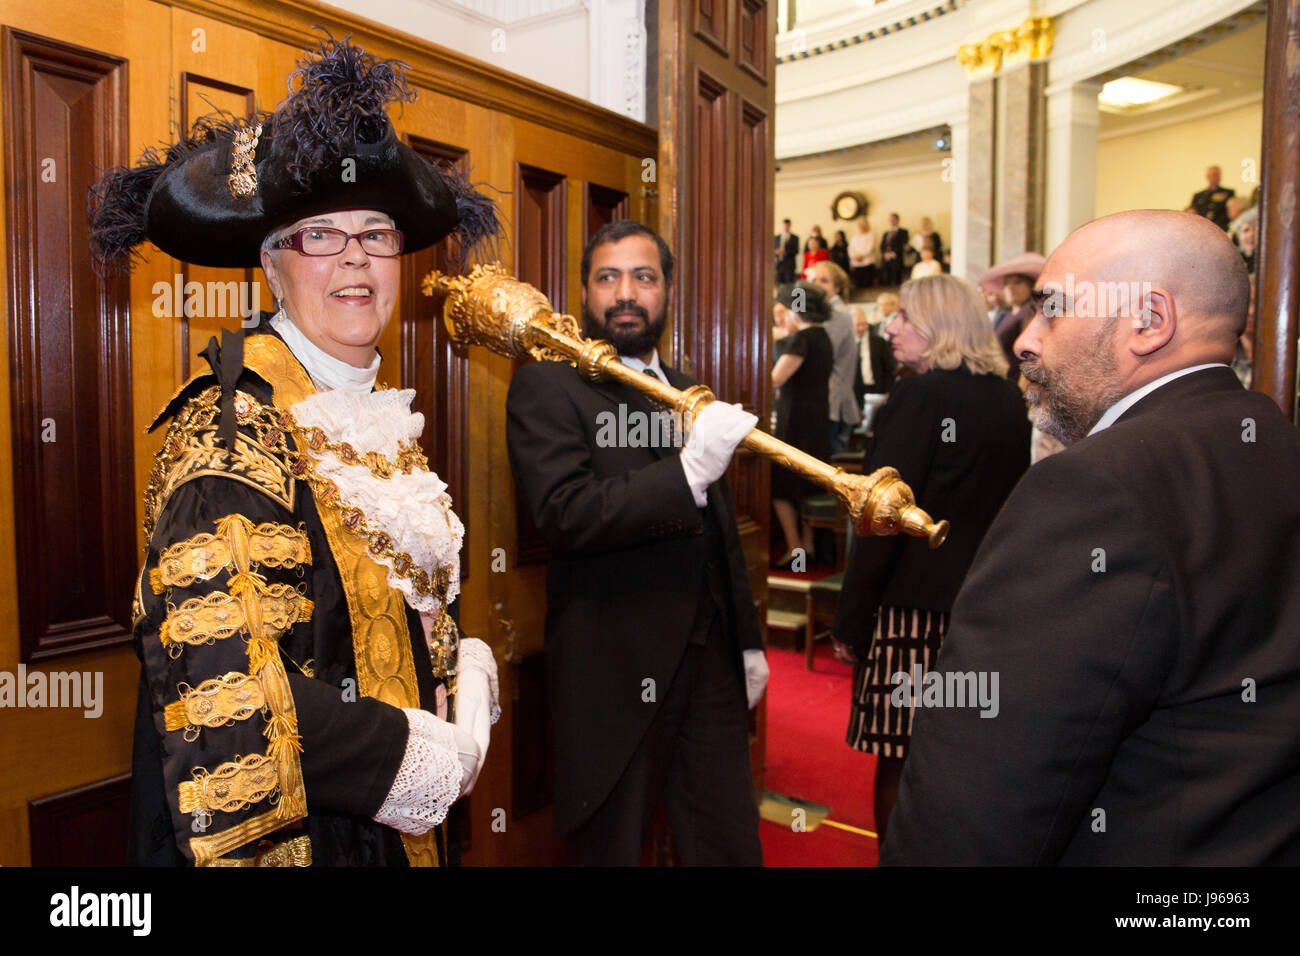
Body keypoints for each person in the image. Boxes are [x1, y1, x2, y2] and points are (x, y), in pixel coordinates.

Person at [93, 37, 501, 866]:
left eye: (376, 233)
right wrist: (424, 757)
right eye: (320, 234)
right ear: (271, 263)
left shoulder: (379, 416)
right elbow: (236, 692)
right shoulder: (232, 432)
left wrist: (458, 655)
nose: (355, 255)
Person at [883, 210, 1300, 865]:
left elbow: (974, 809)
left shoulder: (1092, 490)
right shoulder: (1277, 446)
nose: (1023, 338)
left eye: (1052, 309)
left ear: (1148, 322)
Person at [505, 220, 767, 866]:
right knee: (613, 851)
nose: (626, 293)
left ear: (668, 290)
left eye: (643, 277)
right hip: (614, 674)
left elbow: (721, 529)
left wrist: (750, 640)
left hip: (708, 667)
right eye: (608, 278)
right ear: (586, 293)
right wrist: (684, 475)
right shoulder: (548, 384)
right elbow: (564, 513)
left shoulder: (685, 386)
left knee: (728, 845)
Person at [831, 275, 1028, 840]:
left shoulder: (921, 394)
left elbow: (882, 517)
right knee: (959, 758)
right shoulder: (1007, 396)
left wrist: (852, 618)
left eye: (904, 319)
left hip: (913, 608)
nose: (891, 328)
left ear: (938, 326)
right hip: (984, 604)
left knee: (900, 755)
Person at [770, 281, 834, 567]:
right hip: (818, 417)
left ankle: (795, 548)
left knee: (781, 487)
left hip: (795, 418)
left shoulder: (801, 340)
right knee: (810, 483)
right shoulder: (823, 337)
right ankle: (808, 547)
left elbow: (774, 380)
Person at [808, 261, 862, 456]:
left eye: (824, 280)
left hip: (833, 403)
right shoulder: (821, 312)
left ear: (837, 287)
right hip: (823, 401)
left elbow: (820, 352)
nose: (817, 284)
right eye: (813, 280)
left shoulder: (837, 314)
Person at [852, 305, 896, 403]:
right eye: (858, 325)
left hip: (876, 390)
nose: (861, 328)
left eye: (864, 324)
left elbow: (889, 368)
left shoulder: (878, 342)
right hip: (854, 391)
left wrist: (889, 390)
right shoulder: (847, 344)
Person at [1189, 165, 1235, 230]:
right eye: (1214, 174)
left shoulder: (1228, 193)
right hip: (1201, 228)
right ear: (1207, 177)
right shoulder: (1198, 196)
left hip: (1221, 228)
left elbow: (1231, 212)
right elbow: (1193, 212)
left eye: (1218, 174)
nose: (1216, 177)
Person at [848, 217, 879, 289]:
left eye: (863, 224)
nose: (861, 226)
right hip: (857, 264)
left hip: (867, 264)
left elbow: (869, 248)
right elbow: (850, 249)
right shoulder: (855, 237)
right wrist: (855, 256)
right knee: (858, 286)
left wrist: (861, 256)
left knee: (867, 285)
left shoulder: (871, 235)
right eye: (859, 224)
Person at [880, 213, 909, 286]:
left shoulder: (903, 232)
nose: (891, 221)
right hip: (886, 260)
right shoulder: (886, 233)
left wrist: (892, 254)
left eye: (893, 219)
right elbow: (882, 246)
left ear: (897, 220)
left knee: (896, 281)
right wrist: (885, 254)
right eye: (890, 220)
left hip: (897, 259)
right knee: (885, 281)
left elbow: (903, 245)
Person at [775, 218, 800, 283]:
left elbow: (796, 251)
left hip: (789, 265)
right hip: (779, 264)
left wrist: (785, 252)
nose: (785, 227)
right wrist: (776, 252)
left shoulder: (794, 238)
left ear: (790, 225)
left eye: (787, 225)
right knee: (779, 284)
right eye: (784, 225)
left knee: (789, 284)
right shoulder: (777, 237)